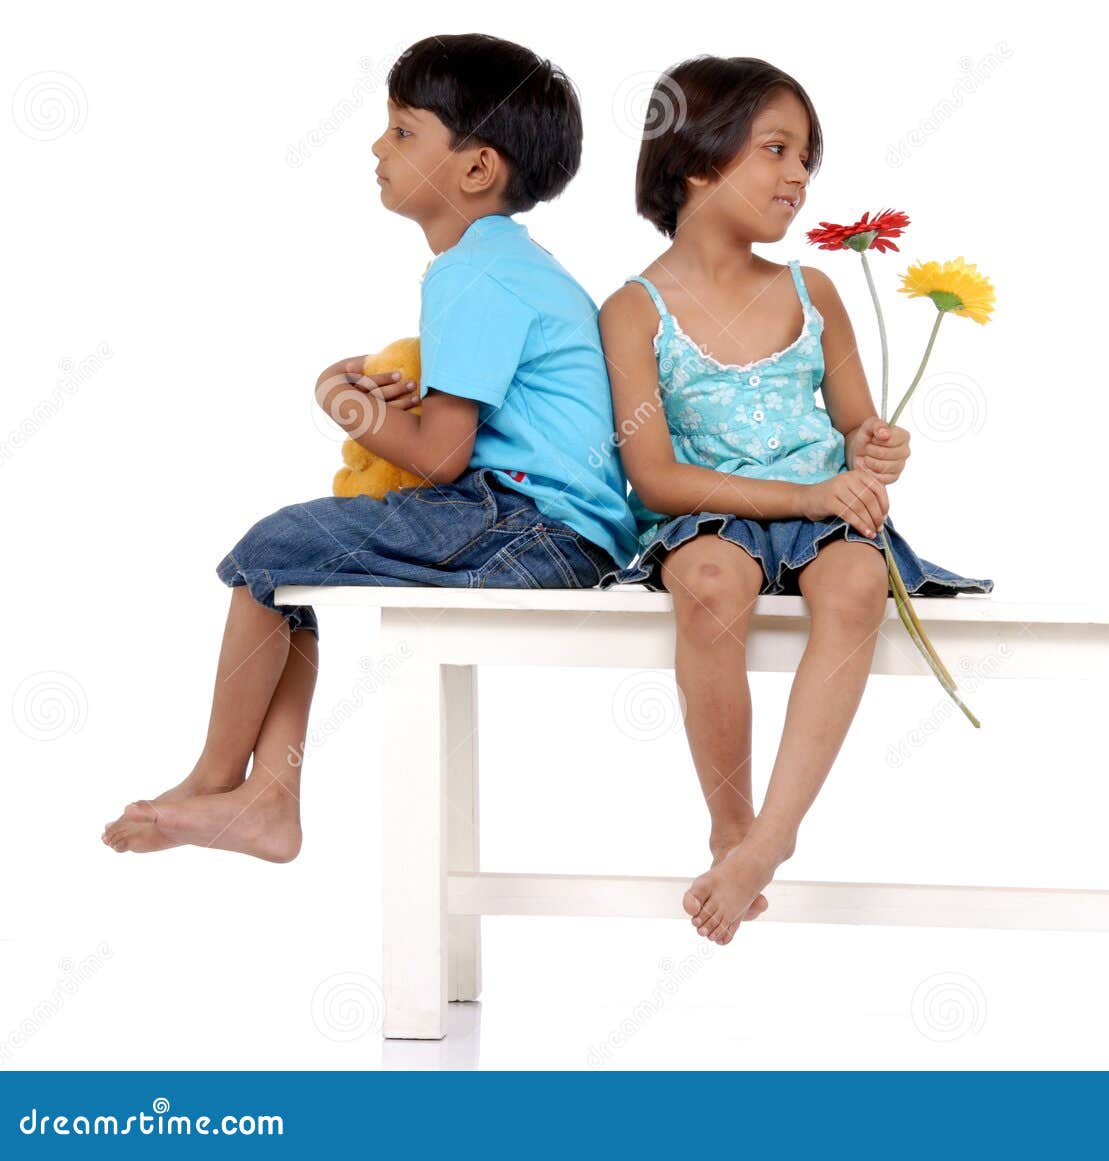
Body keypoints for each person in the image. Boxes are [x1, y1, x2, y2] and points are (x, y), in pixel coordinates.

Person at [102, 34, 637, 861]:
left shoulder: (474, 274)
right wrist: (387, 402)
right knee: (289, 565)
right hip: (542, 522)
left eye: (402, 132)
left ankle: (217, 781)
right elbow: (462, 428)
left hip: (532, 527)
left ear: (475, 168)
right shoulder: (506, 265)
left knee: (271, 546)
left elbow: (440, 456)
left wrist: (339, 397)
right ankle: (267, 798)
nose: (378, 148)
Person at [598, 55, 993, 944]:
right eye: (776, 149)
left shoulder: (813, 292)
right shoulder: (633, 312)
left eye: (806, 157)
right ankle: (730, 824)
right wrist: (804, 492)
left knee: (856, 587)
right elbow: (654, 477)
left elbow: (857, 426)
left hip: (824, 516)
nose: (798, 176)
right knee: (706, 582)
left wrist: (876, 445)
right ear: (696, 158)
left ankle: (769, 840)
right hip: (714, 511)